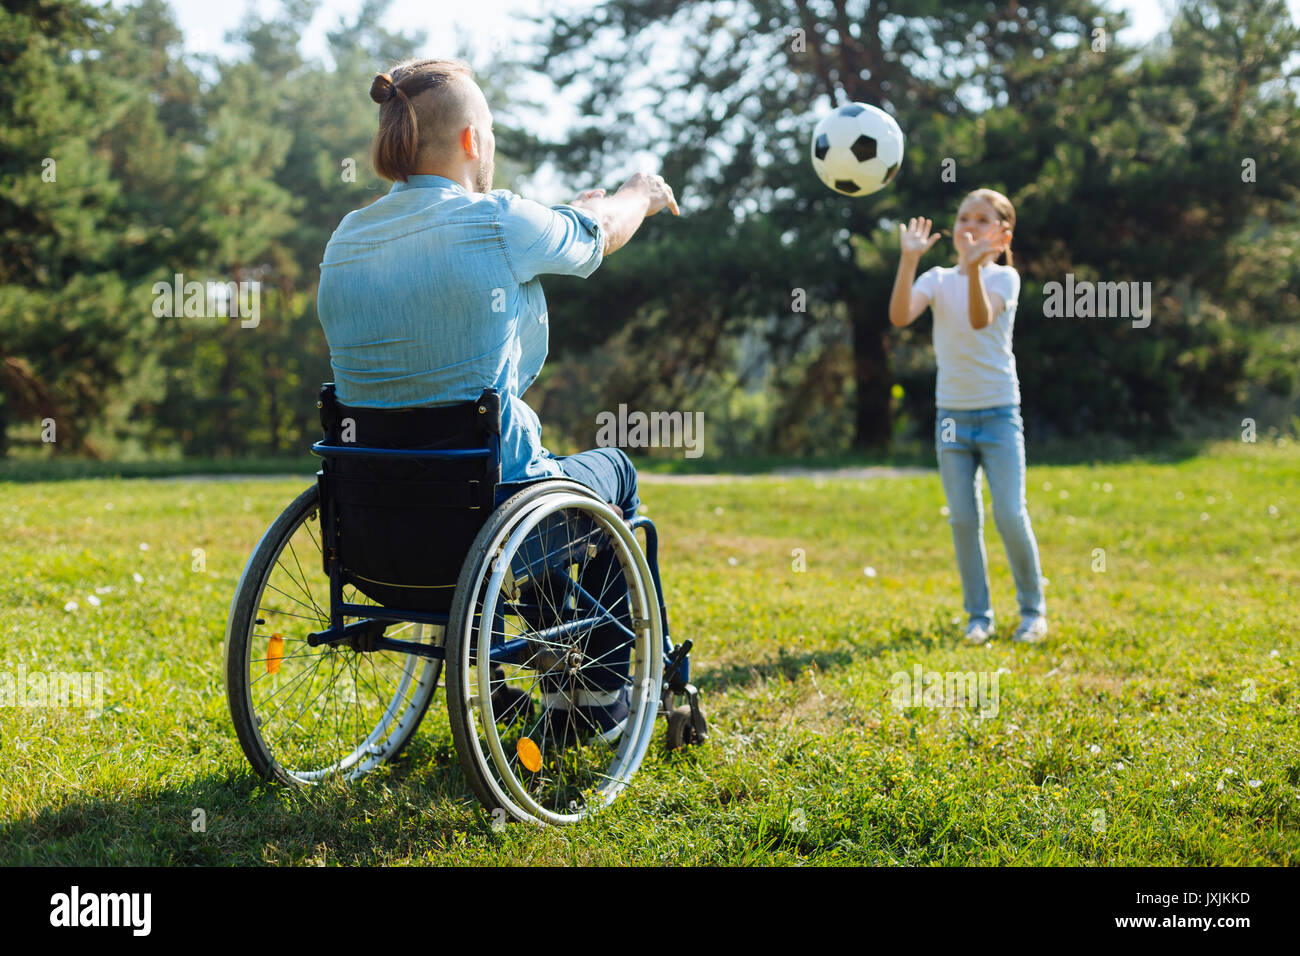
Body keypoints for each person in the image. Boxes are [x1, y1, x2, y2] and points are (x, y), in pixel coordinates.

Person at [316, 58, 680, 738]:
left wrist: (565, 213)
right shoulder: (498, 220)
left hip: (374, 527)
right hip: (492, 512)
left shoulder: (345, 239)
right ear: (472, 141)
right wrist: (639, 192)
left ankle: (557, 675)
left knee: (522, 478)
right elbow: (599, 232)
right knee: (611, 475)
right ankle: (597, 699)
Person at [888, 188, 1048, 645]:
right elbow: (900, 316)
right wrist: (908, 261)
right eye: (963, 218)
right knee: (962, 519)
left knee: (1010, 515)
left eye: (982, 219)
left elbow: (980, 320)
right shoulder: (936, 278)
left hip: (999, 414)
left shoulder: (1004, 280)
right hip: (951, 418)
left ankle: (1032, 612)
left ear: (1002, 234)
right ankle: (979, 616)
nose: (969, 227)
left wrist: (977, 268)